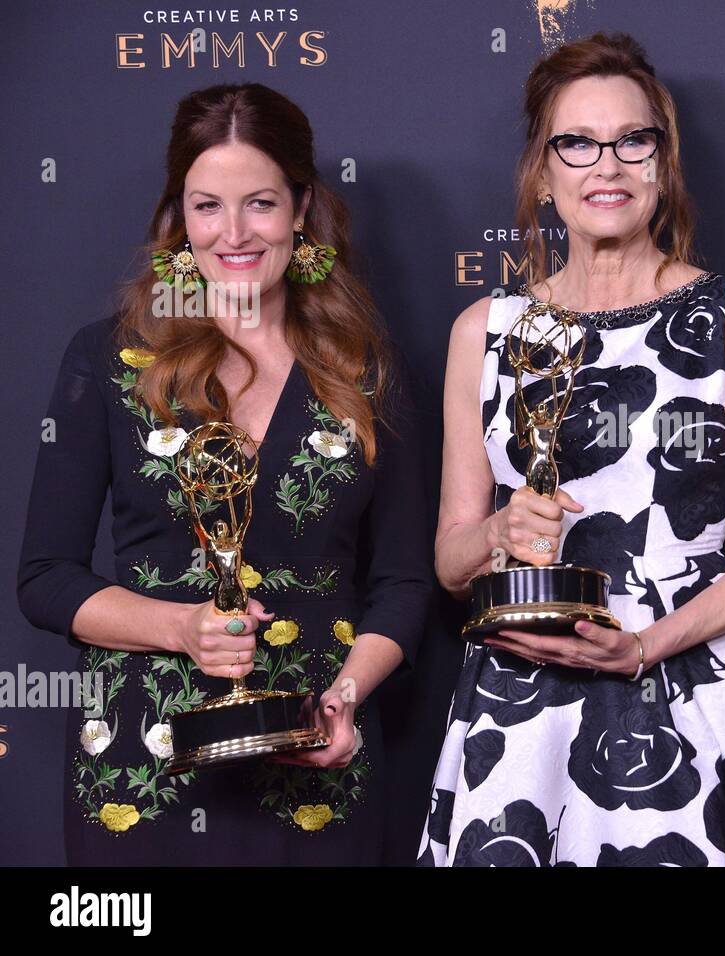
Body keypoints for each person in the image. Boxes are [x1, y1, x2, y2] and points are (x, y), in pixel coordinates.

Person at [418, 33, 725, 867]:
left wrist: (643, 647)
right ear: (542, 172)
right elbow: (451, 561)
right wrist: (497, 535)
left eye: (634, 141)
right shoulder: (482, 333)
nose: (608, 166)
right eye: (577, 144)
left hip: (710, 688)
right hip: (528, 707)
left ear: (662, 164)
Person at [17, 83, 431, 865]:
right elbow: (45, 579)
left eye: (261, 204)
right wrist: (180, 629)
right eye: (207, 205)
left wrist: (343, 701)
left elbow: (405, 582)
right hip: (144, 765)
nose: (233, 233)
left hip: (318, 757)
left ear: (303, 207)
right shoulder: (107, 359)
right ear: (179, 215)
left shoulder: (369, 371)